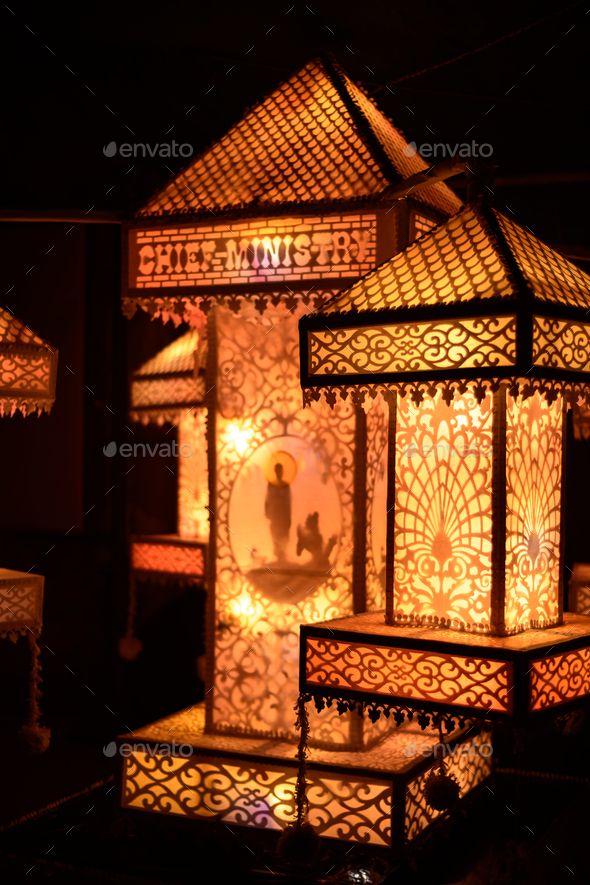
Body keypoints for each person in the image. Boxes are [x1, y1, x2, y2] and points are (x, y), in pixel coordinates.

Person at [265, 462, 292, 561]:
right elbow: (267, 499)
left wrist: (288, 517)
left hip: (283, 514)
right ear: (275, 472)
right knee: (275, 534)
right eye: (277, 471)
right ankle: (278, 556)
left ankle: (283, 556)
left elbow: (288, 501)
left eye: (281, 471)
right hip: (275, 515)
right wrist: (267, 512)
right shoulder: (271, 485)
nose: (279, 473)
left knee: (283, 534)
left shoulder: (285, 485)